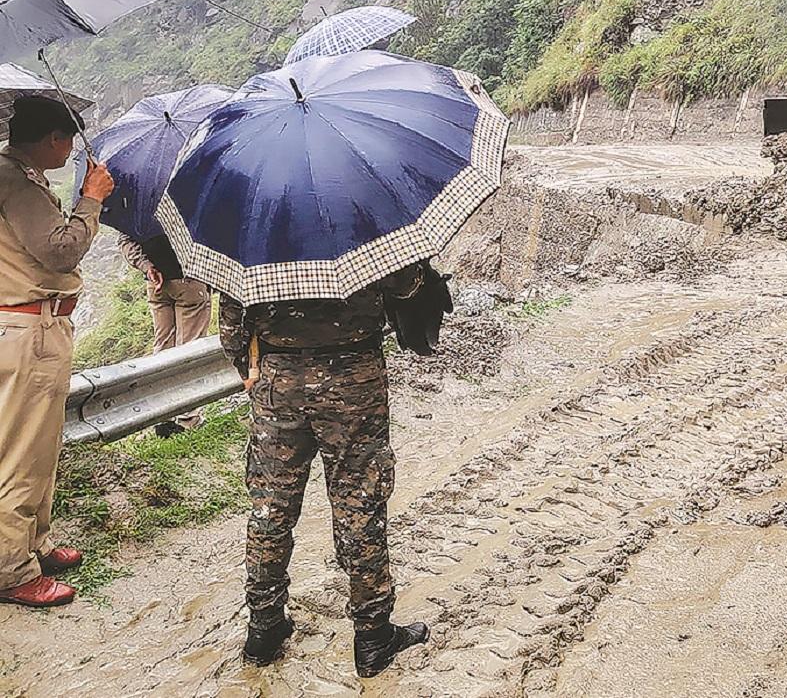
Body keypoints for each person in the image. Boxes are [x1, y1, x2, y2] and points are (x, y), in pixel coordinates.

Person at [219, 260, 452, 677]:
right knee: (360, 502)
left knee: (269, 510)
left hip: (278, 382)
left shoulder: (256, 232)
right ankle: (373, 635)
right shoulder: (361, 222)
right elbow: (405, 286)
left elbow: (233, 315)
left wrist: (246, 364)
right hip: (353, 378)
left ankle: (264, 629)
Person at [0, 97, 113, 609]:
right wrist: (90, 199)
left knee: (40, 447)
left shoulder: (19, 176)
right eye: (68, 141)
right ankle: (12, 570)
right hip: (31, 328)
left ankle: (34, 545)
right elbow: (60, 250)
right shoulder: (16, 182)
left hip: (33, 326)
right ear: (52, 139)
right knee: (23, 454)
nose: (69, 151)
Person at [118, 233, 211, 436]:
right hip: (188, 279)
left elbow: (126, 241)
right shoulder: (183, 203)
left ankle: (163, 415)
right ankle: (188, 418)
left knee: (162, 347)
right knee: (189, 348)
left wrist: (147, 267)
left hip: (155, 283)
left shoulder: (135, 208)